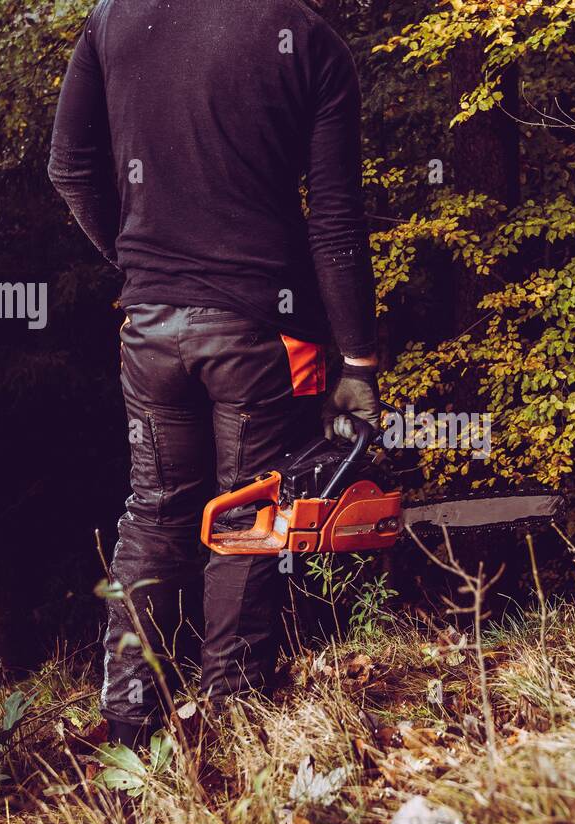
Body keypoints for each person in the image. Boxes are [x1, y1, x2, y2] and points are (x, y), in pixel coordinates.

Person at [48, 0, 379, 747]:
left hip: (150, 326)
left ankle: (131, 720)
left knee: (156, 507)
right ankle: (229, 722)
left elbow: (69, 170)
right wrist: (357, 359)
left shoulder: (112, 20)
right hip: (261, 329)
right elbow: (334, 218)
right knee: (246, 513)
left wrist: (139, 264)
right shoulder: (311, 41)